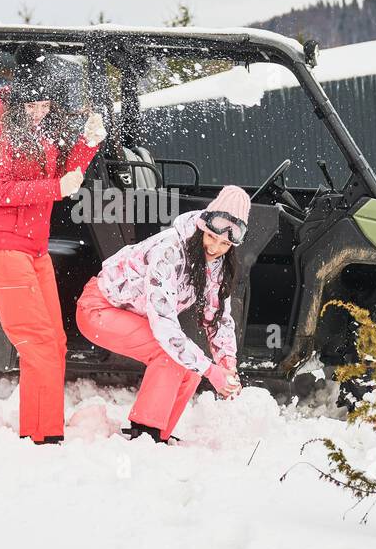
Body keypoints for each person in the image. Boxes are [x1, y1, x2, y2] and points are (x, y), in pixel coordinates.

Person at [0, 74, 106, 444]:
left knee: (54, 344)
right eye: (32, 106)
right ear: (17, 104)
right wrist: (54, 188)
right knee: (39, 344)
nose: (38, 113)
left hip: (35, 249)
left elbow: (64, 175)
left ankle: (41, 431)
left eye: (45, 107)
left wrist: (88, 143)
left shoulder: (41, 135)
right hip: (3, 248)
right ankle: (45, 439)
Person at [76, 187, 248, 443]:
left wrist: (226, 365)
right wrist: (211, 372)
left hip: (133, 318)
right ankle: (145, 432)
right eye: (212, 237)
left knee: (190, 370)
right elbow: (164, 326)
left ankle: (160, 434)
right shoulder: (168, 250)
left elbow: (218, 317)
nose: (215, 247)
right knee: (169, 355)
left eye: (225, 243)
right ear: (203, 226)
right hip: (99, 309)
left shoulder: (215, 264)